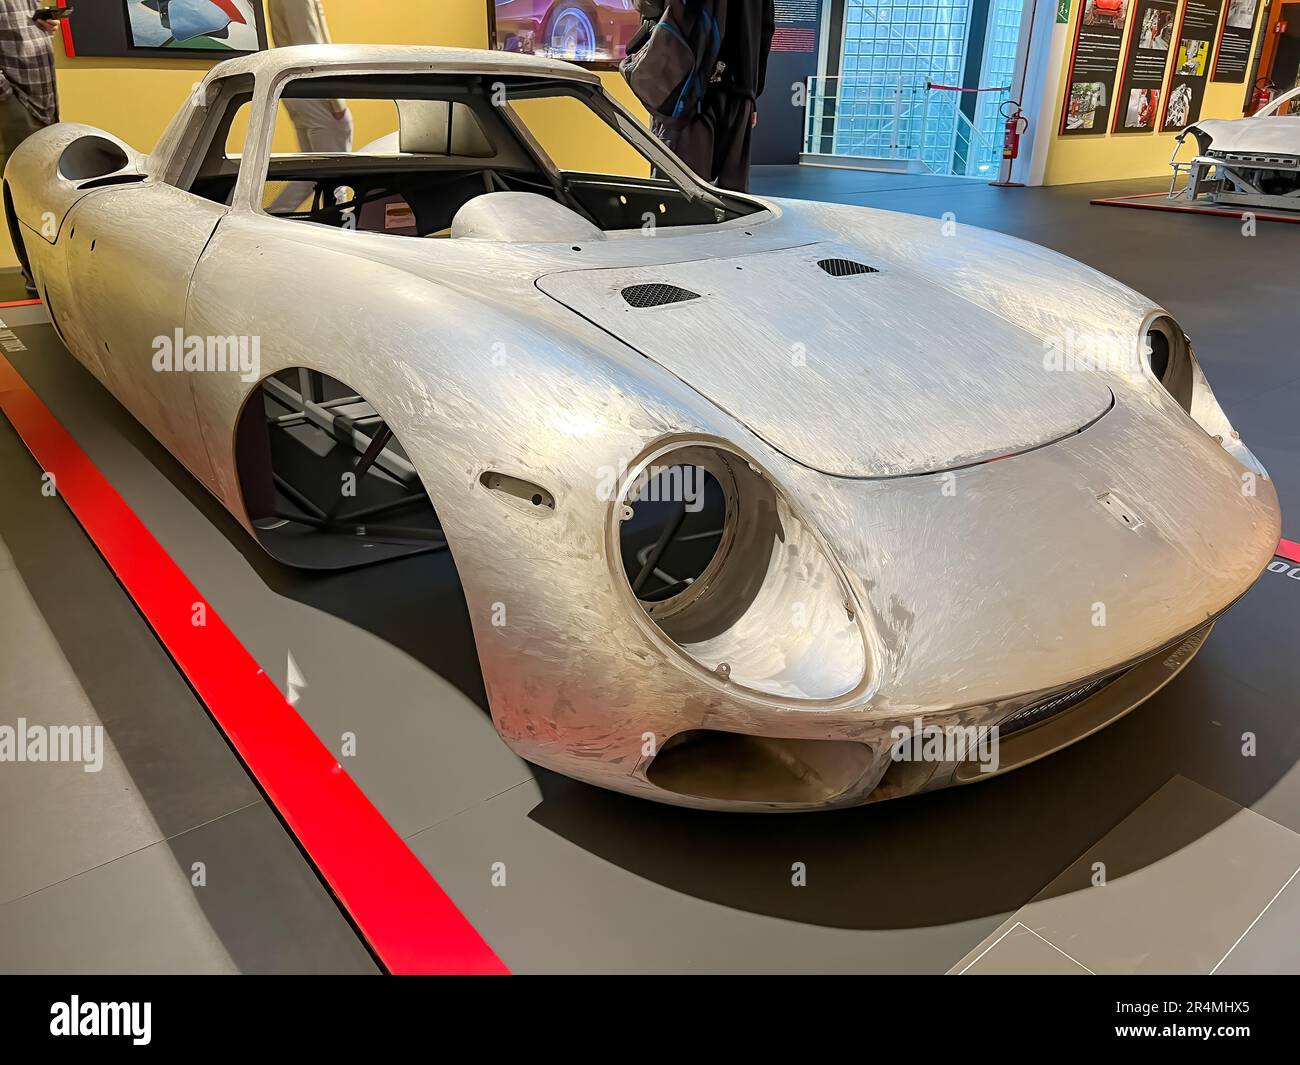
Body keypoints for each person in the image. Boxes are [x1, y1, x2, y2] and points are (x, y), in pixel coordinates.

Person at [265, 0, 352, 213]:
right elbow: (310, 46)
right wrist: (336, 99)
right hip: (314, 91)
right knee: (336, 175)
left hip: (300, 90)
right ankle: (340, 231)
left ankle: (270, 217)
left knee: (310, 174)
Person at [0, 1, 60, 294]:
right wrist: (7, 98)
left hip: (44, 105)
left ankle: (44, 272)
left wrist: (42, 26)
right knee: (23, 191)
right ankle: (33, 276)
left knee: (45, 192)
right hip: (17, 104)